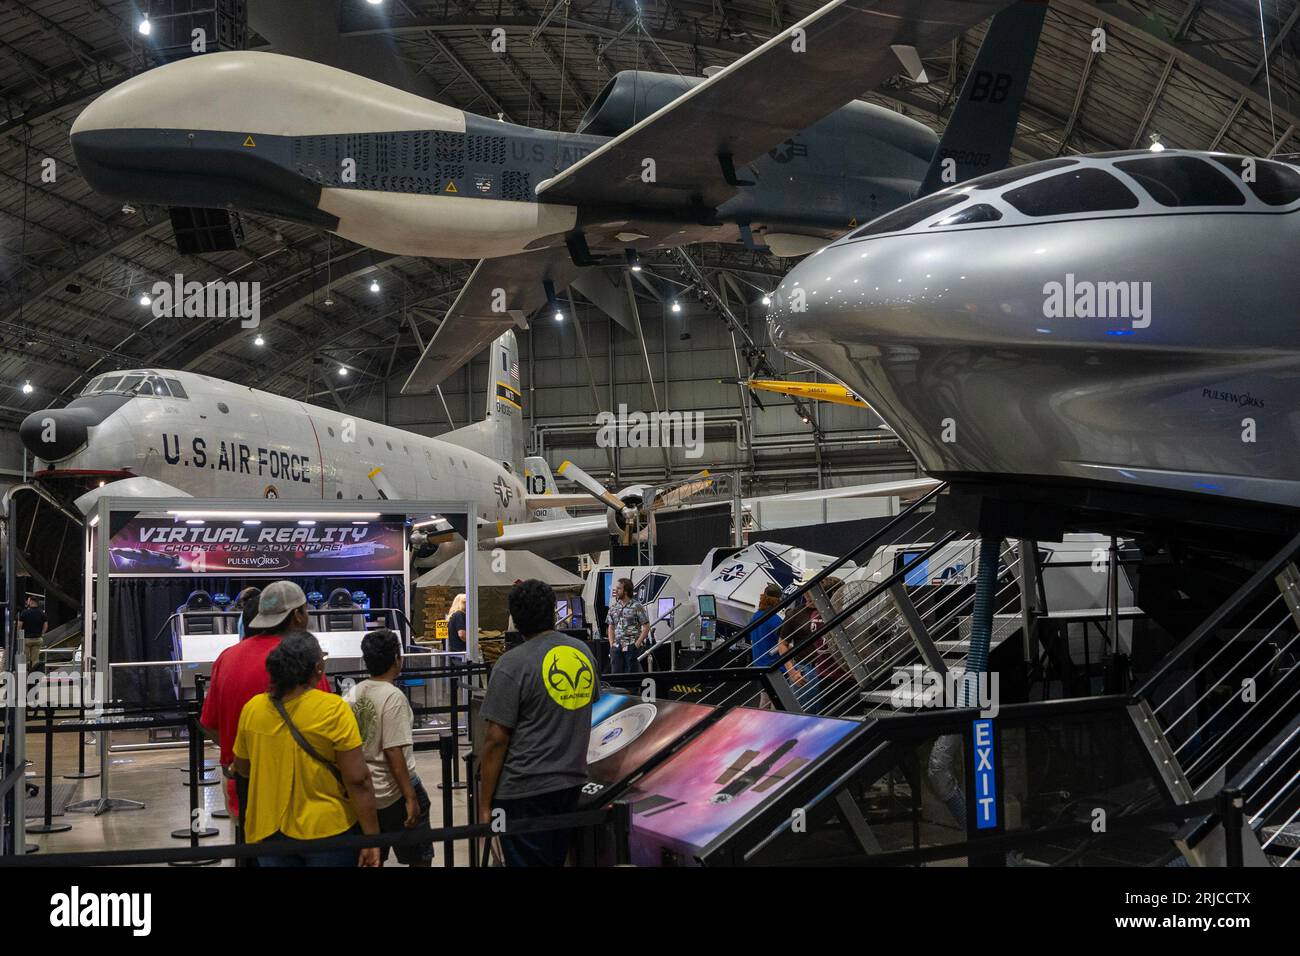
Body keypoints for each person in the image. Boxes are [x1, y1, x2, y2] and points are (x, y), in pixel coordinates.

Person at [234, 631, 381, 867]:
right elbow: (358, 779)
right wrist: (373, 837)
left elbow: (242, 767)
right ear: (317, 669)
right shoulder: (333, 709)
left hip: (269, 830)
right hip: (327, 830)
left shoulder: (252, 709)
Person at [479, 579, 598, 866]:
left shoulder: (511, 664)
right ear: (553, 612)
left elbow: (496, 739)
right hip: (570, 785)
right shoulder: (582, 653)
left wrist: (484, 805)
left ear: (516, 620)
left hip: (523, 790)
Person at [200, 580, 329, 843]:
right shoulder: (305, 660)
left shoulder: (227, 658)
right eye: (305, 610)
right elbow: (326, 729)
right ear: (297, 616)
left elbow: (211, 725)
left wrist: (243, 754)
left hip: (243, 788)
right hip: (304, 797)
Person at [345, 629, 433, 867]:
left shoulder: (352, 693)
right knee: (420, 857)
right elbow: (394, 750)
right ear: (397, 658)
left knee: (373, 857)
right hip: (393, 792)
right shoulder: (393, 697)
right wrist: (410, 797)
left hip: (365, 794)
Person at [606, 577, 649, 673]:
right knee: (616, 678)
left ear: (625, 591)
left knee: (631, 678)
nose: (616, 590)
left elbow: (646, 626)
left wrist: (637, 644)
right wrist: (611, 644)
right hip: (616, 648)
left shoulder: (636, 606)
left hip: (631, 646)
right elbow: (611, 627)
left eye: (619, 588)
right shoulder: (613, 607)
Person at [748, 584, 785, 668]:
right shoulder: (775, 620)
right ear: (777, 601)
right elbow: (784, 644)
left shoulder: (755, 616)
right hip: (774, 667)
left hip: (758, 665)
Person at [18, 595, 47, 672]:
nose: (27, 602)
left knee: (25, 659)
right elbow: (45, 626)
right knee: (35, 660)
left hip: (26, 639)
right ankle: (34, 676)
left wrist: (19, 635)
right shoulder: (42, 613)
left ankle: (25, 675)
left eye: (28, 601)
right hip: (38, 639)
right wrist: (42, 634)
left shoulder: (24, 613)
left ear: (31, 602)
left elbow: (19, 626)